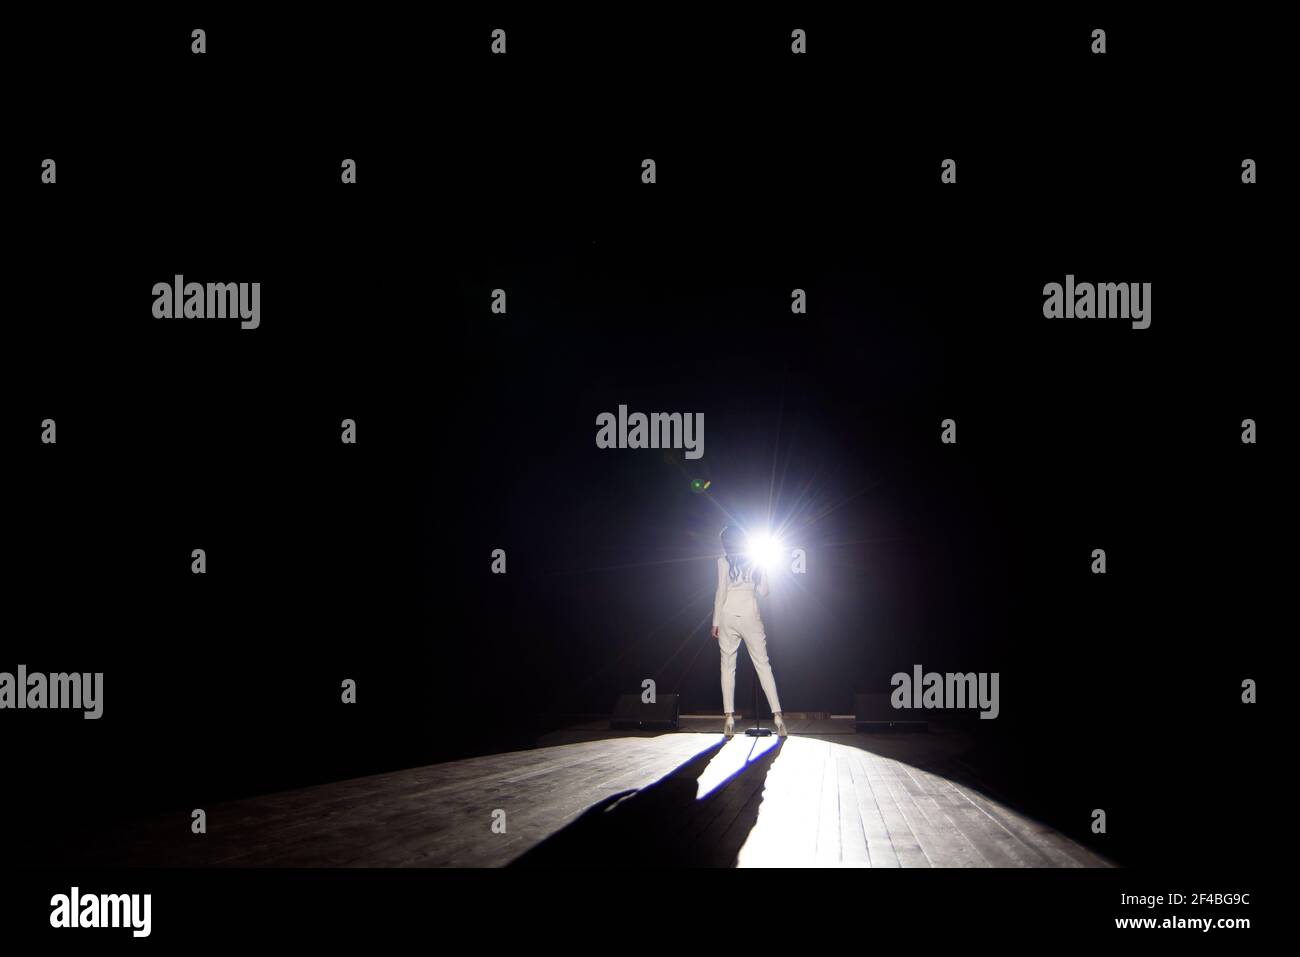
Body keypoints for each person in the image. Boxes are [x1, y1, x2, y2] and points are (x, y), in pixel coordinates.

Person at [711, 526, 787, 738]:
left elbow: (721, 592)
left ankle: (729, 717)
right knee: (763, 665)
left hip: (728, 615)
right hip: (751, 615)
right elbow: (765, 591)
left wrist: (715, 621)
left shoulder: (723, 561)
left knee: (727, 667)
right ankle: (778, 715)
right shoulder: (755, 561)